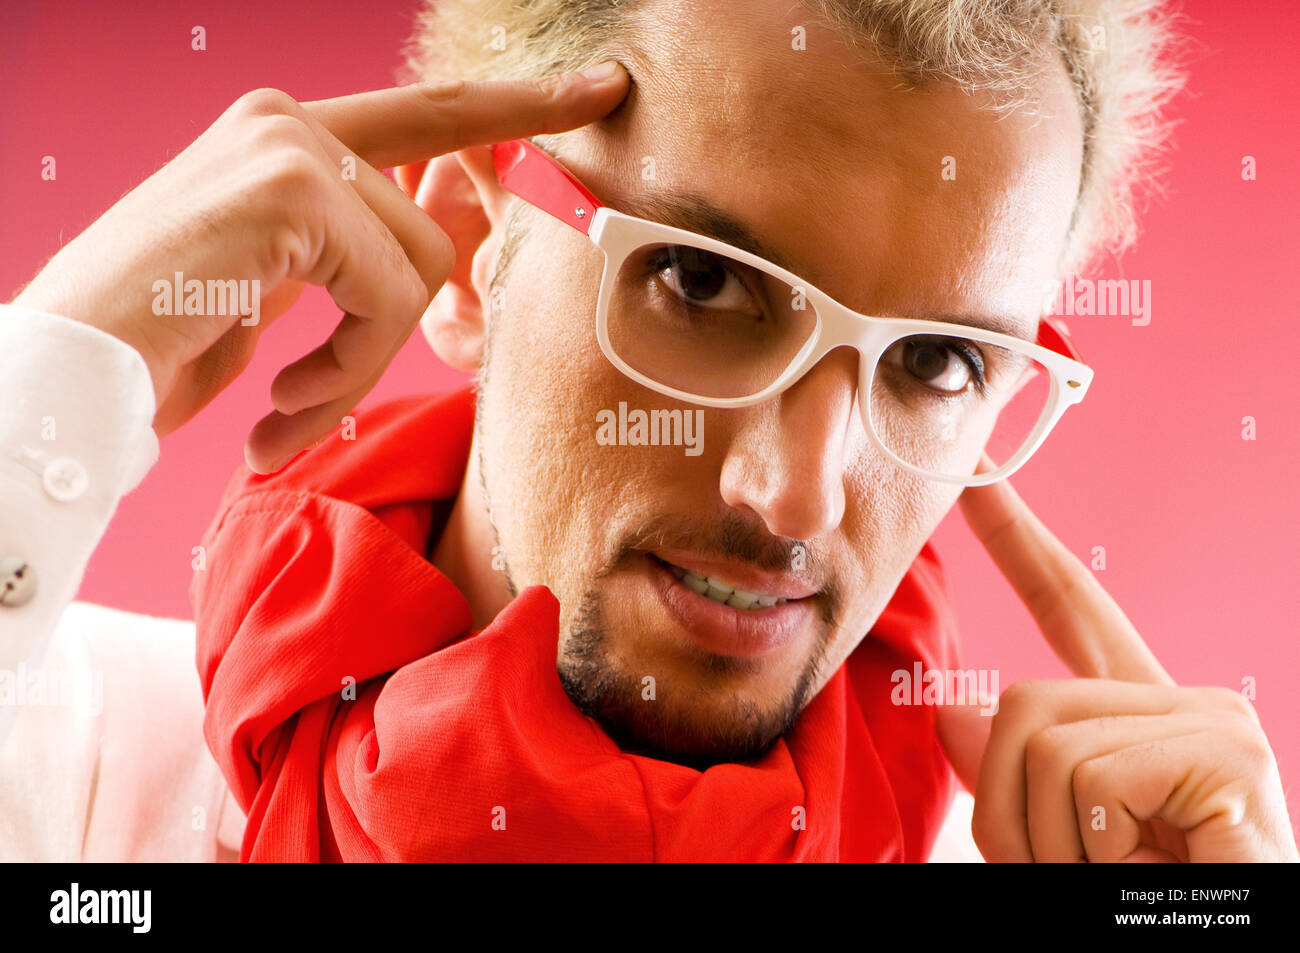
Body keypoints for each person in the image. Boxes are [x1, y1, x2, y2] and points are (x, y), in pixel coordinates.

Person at [3, 0, 1295, 861]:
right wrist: (37, 381)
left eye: (937, 359)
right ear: (464, 248)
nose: (792, 493)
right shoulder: (68, 770)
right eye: (700, 282)